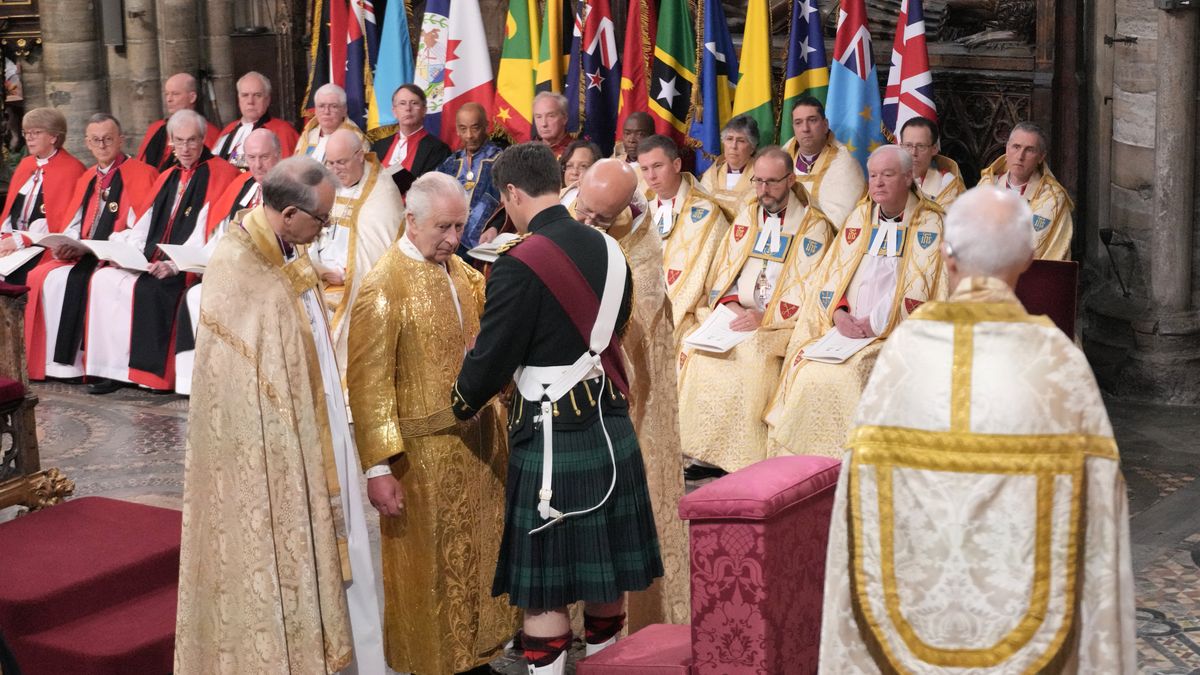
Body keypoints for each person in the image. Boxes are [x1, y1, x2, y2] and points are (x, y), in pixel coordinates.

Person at [818, 185, 1135, 673]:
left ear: (946, 257)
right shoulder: (1059, 364)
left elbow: (859, 495)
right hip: (1033, 630)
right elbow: (1099, 508)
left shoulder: (903, 353)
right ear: (1030, 260)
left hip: (905, 621)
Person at [450, 143, 662, 673]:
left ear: (515, 194)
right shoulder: (612, 251)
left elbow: (492, 355)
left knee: (544, 593)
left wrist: (462, 400)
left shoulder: (518, 264)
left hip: (550, 440)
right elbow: (615, 328)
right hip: (610, 428)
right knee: (604, 578)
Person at [175, 157, 385, 674]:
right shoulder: (240, 270)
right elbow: (252, 381)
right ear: (289, 214)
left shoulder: (282, 249)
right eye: (322, 221)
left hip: (321, 425)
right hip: (279, 450)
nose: (325, 231)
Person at [347, 172, 519, 674]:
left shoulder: (465, 275)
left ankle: (477, 659)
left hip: (480, 449)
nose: (453, 238)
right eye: (443, 227)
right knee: (432, 576)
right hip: (420, 461)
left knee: (481, 561)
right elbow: (368, 381)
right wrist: (378, 469)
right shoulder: (384, 284)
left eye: (460, 226)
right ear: (412, 220)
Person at [569, 158, 691, 629]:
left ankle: (625, 618)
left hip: (629, 377)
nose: (586, 222)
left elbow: (632, 316)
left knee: (627, 484)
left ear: (625, 208)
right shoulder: (570, 207)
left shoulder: (641, 239)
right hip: (569, 372)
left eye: (600, 218)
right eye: (584, 208)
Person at [766, 145, 946, 457]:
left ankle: (849, 463)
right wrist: (838, 313)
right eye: (873, 175)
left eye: (887, 175)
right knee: (807, 368)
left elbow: (924, 287)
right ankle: (806, 462)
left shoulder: (931, 223)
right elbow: (832, 276)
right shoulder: (861, 216)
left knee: (848, 375)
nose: (877, 182)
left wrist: (874, 323)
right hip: (846, 328)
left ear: (907, 178)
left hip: (892, 332)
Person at [677, 147, 835, 474]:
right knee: (695, 350)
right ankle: (702, 453)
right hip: (736, 313)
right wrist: (731, 303)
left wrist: (765, 318)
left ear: (791, 180)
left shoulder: (812, 226)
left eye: (772, 183)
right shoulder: (749, 215)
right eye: (758, 181)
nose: (763, 190)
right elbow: (726, 268)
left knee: (749, 358)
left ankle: (742, 460)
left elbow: (810, 288)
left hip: (780, 325)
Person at [83, 109, 239, 395]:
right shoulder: (168, 175)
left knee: (153, 290)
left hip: (187, 266)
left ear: (203, 139)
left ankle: (152, 377)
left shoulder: (222, 173)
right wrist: (127, 252)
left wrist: (173, 264)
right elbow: (145, 221)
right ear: (171, 143)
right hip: (152, 260)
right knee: (104, 280)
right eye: (179, 142)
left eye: (192, 141)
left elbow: (207, 230)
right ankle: (112, 371)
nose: (186, 148)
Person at [23, 113, 159, 381]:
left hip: (116, 257)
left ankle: (104, 369)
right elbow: (74, 221)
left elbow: (142, 228)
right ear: (86, 143)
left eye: (108, 139)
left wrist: (101, 246)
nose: (102, 145)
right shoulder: (88, 177)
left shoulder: (142, 174)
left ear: (121, 139)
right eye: (96, 140)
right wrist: (68, 242)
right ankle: (60, 366)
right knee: (44, 277)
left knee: (94, 282)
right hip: (85, 255)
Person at [175, 128, 282, 396]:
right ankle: (203, 380)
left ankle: (241, 378)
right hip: (232, 269)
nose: (257, 165)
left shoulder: (287, 190)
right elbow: (220, 231)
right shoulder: (243, 186)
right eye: (252, 157)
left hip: (268, 276)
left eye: (264, 157)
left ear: (279, 156)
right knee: (195, 295)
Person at [315, 128, 403, 381]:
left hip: (352, 285)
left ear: (359, 155)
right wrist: (317, 267)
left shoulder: (381, 194)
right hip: (321, 274)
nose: (335, 169)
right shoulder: (326, 185)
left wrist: (344, 275)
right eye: (330, 163)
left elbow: (378, 258)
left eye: (341, 162)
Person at [637, 134, 730, 343]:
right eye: (644, 169)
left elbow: (718, 271)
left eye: (658, 166)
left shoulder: (707, 213)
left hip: (685, 308)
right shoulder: (641, 212)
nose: (651, 176)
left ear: (677, 164)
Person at [0, 107, 86, 285]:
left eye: (36, 132)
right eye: (26, 132)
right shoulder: (25, 165)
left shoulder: (72, 170)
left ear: (54, 137)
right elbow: (10, 212)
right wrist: (6, 238)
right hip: (13, 243)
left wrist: (21, 240)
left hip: (44, 248)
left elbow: (65, 224)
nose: (29, 137)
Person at [977, 121, 1074, 260]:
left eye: (1029, 150)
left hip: (1032, 277)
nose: (1020, 156)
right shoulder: (987, 186)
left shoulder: (1052, 199)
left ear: (1041, 157)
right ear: (1007, 149)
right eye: (1016, 147)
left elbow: (1053, 254)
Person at [781, 95, 866, 229]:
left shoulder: (844, 164)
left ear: (825, 125)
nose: (805, 128)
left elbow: (837, 222)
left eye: (812, 120)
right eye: (798, 122)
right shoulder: (783, 156)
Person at [436, 102, 504, 255]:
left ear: (486, 126)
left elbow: (511, 203)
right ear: (457, 130)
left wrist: (495, 227)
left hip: (483, 245)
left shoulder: (502, 160)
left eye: (475, 128)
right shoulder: (450, 163)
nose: (469, 135)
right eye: (463, 128)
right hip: (447, 243)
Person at [212, 71, 299, 169]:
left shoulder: (283, 131)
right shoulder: (228, 131)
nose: (250, 101)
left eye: (257, 95)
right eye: (245, 95)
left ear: (267, 100)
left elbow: (287, 174)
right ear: (238, 99)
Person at [135, 73, 221, 171]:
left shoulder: (209, 132)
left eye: (175, 94)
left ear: (192, 97)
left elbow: (212, 168)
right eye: (167, 94)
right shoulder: (155, 128)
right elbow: (141, 165)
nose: (169, 99)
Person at [371, 84, 451, 184]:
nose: (408, 108)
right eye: (402, 103)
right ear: (394, 111)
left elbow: (430, 189)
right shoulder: (378, 146)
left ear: (424, 110)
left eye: (414, 103)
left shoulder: (438, 150)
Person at [699, 114, 760, 218]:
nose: (733, 146)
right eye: (729, 139)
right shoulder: (712, 175)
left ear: (752, 148)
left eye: (741, 141)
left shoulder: (761, 176)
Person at [899, 116, 965, 208]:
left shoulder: (948, 184)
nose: (914, 153)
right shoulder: (889, 178)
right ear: (901, 147)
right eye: (908, 145)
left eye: (921, 146)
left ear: (934, 149)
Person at [295, 83, 366, 161]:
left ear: (344, 110)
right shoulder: (308, 136)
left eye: (333, 106)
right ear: (315, 110)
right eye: (321, 106)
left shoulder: (355, 139)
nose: (326, 112)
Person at [532, 91, 573, 159]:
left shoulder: (577, 151)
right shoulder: (527, 152)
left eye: (550, 116)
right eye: (538, 117)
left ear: (564, 118)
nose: (544, 124)